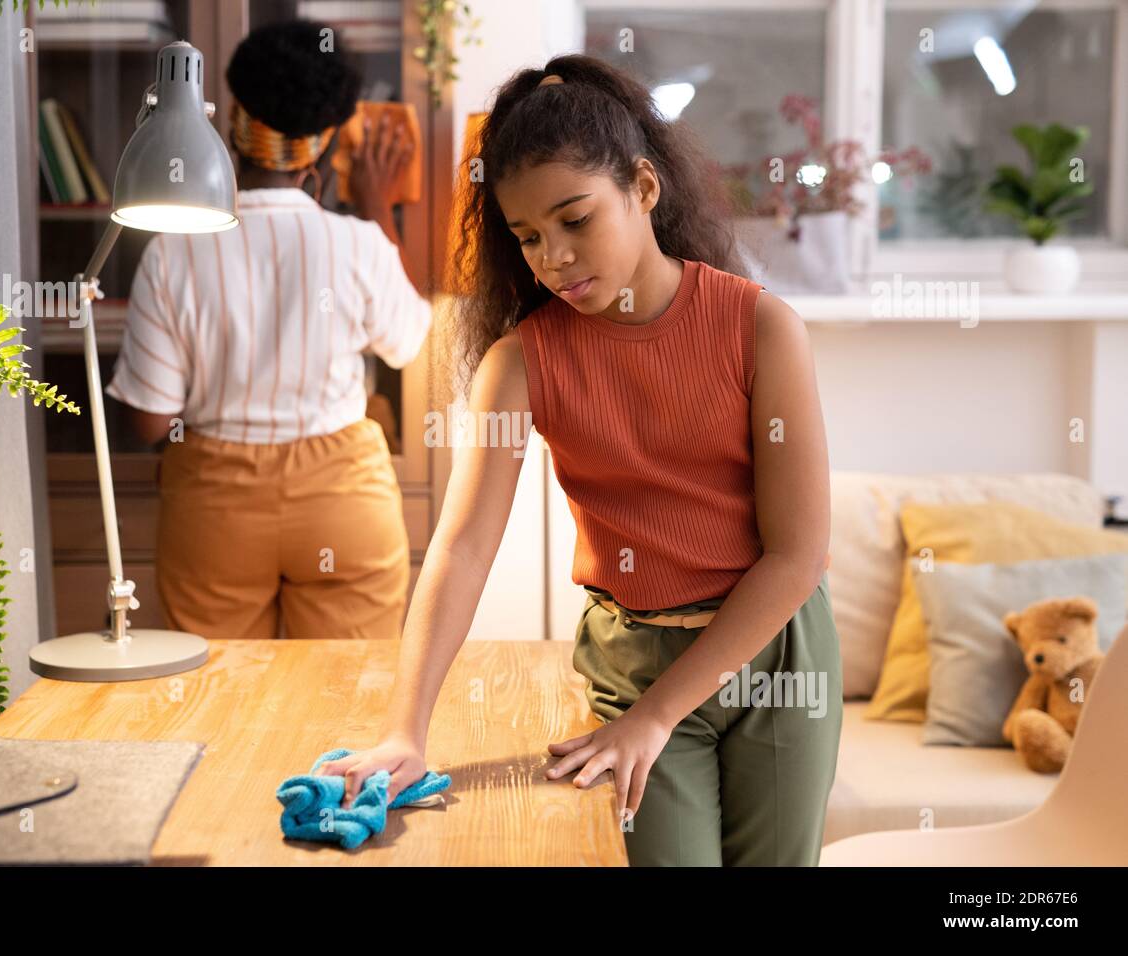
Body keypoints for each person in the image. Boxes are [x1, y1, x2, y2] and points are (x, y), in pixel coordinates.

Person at [315, 54, 842, 866]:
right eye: (527, 236)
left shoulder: (763, 329)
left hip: (775, 654)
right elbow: (461, 549)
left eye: (575, 219)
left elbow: (799, 553)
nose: (552, 257)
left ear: (643, 187)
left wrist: (660, 716)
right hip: (633, 658)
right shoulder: (518, 366)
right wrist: (404, 730)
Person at [104, 19, 431, 641]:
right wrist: (375, 207)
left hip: (215, 511)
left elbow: (149, 421)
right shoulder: (358, 244)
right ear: (327, 146)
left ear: (229, 126)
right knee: (346, 696)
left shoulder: (175, 250)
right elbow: (408, 342)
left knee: (219, 699)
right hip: (344, 502)